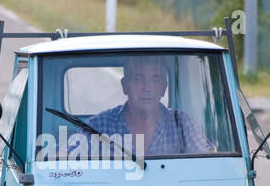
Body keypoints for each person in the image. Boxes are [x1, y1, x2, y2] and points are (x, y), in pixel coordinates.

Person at [86, 55, 214, 156]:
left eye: (155, 79)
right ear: (125, 86)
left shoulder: (180, 123)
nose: (147, 88)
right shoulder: (99, 126)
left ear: (164, 88)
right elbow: (66, 159)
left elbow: (211, 160)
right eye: (139, 78)